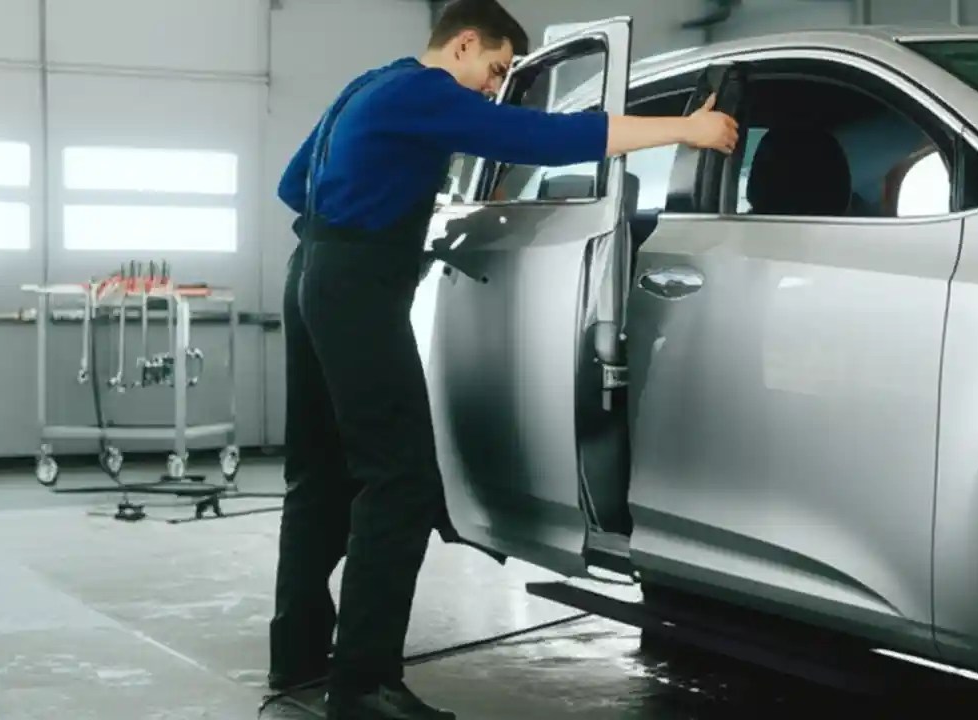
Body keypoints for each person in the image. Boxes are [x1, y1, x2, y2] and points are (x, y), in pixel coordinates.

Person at [268, 1, 738, 718]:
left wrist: (382, 210)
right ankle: (362, 686)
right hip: (355, 288)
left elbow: (291, 184)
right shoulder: (426, 92)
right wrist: (686, 129)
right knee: (400, 482)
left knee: (318, 473)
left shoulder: (368, 87)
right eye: (495, 68)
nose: (495, 86)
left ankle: (298, 654)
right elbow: (544, 139)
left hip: (311, 270)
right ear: (463, 44)